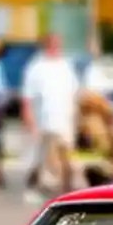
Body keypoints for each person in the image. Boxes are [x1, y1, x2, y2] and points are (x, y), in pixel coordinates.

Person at [21, 32, 81, 203]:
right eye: (53, 44)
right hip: (43, 119)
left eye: (58, 44)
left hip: (64, 119)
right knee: (38, 157)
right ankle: (31, 187)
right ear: (47, 45)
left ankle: (67, 191)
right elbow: (27, 96)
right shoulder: (36, 66)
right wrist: (28, 117)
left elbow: (74, 92)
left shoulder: (65, 65)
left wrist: (76, 117)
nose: (56, 47)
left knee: (67, 157)